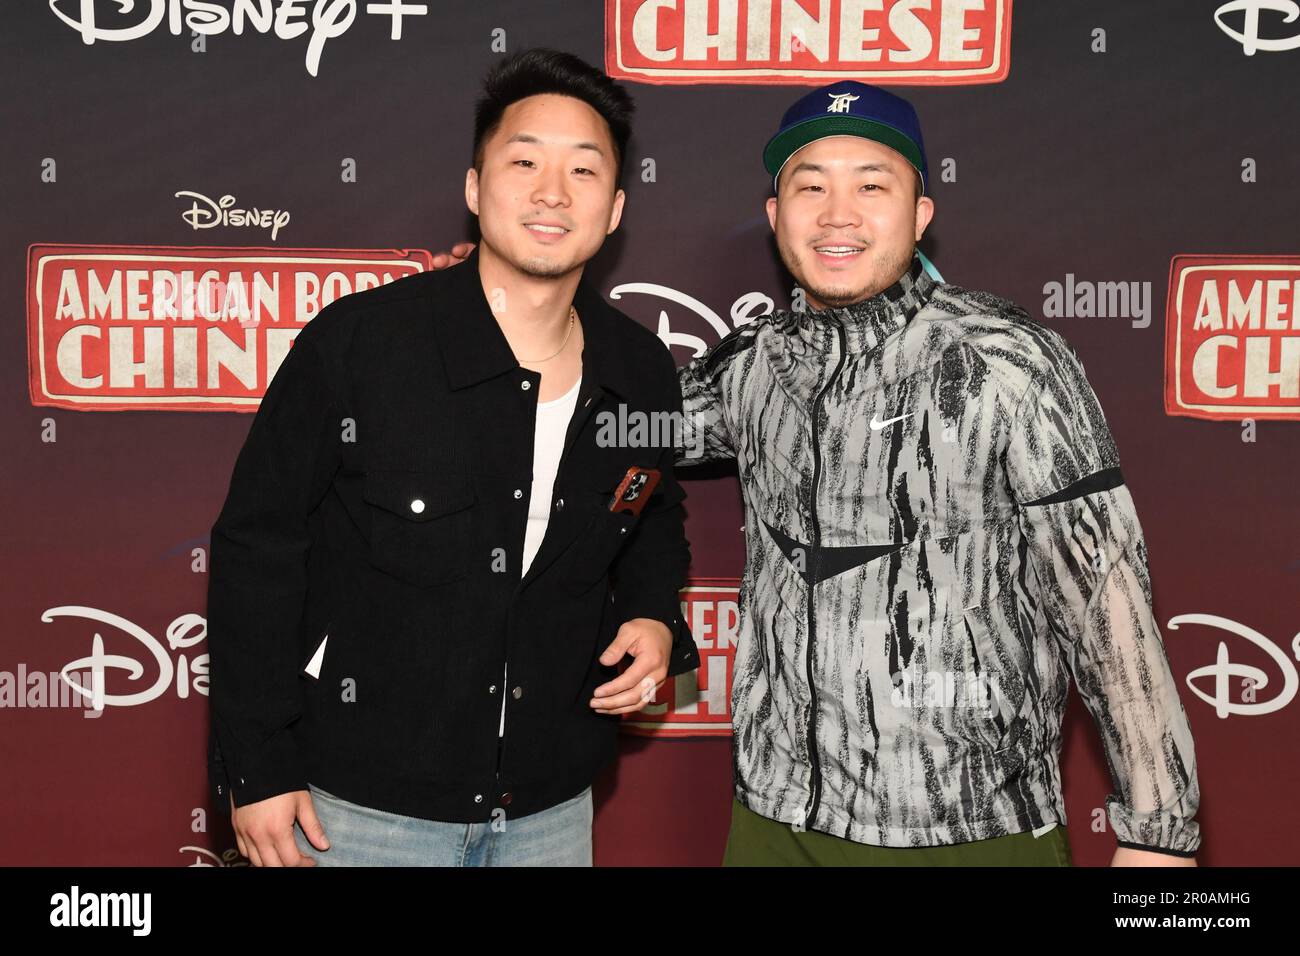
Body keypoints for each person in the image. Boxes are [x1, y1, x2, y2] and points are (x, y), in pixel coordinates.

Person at [430, 80, 1204, 867]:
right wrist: (518, 308)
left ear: (920, 214)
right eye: (811, 187)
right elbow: (611, 426)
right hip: (774, 821)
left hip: (968, 826)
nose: (838, 214)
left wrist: (1159, 831)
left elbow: (1104, 593)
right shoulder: (753, 366)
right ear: (776, 216)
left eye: (872, 186)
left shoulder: (1008, 362)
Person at [206, 48, 698, 868]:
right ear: (474, 188)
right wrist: (256, 767)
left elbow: (650, 509)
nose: (552, 192)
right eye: (524, 162)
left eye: (583, 170)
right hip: (356, 812)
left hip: (551, 810)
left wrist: (652, 614)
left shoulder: (638, 369)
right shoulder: (361, 346)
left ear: (614, 209)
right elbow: (258, 551)